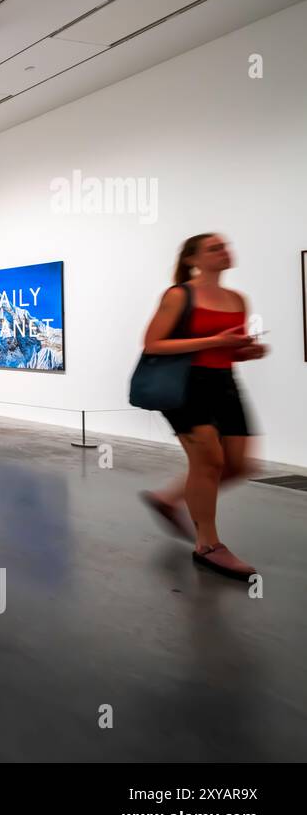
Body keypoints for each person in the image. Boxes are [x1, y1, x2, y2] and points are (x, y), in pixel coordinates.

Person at [140, 233, 266, 579]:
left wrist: (246, 351)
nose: (225, 251)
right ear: (193, 259)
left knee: (239, 465)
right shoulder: (180, 295)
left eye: (226, 245)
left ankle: (168, 499)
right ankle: (208, 544)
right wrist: (216, 341)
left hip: (223, 383)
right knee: (209, 460)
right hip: (184, 384)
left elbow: (228, 349)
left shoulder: (238, 299)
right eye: (214, 248)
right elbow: (152, 344)